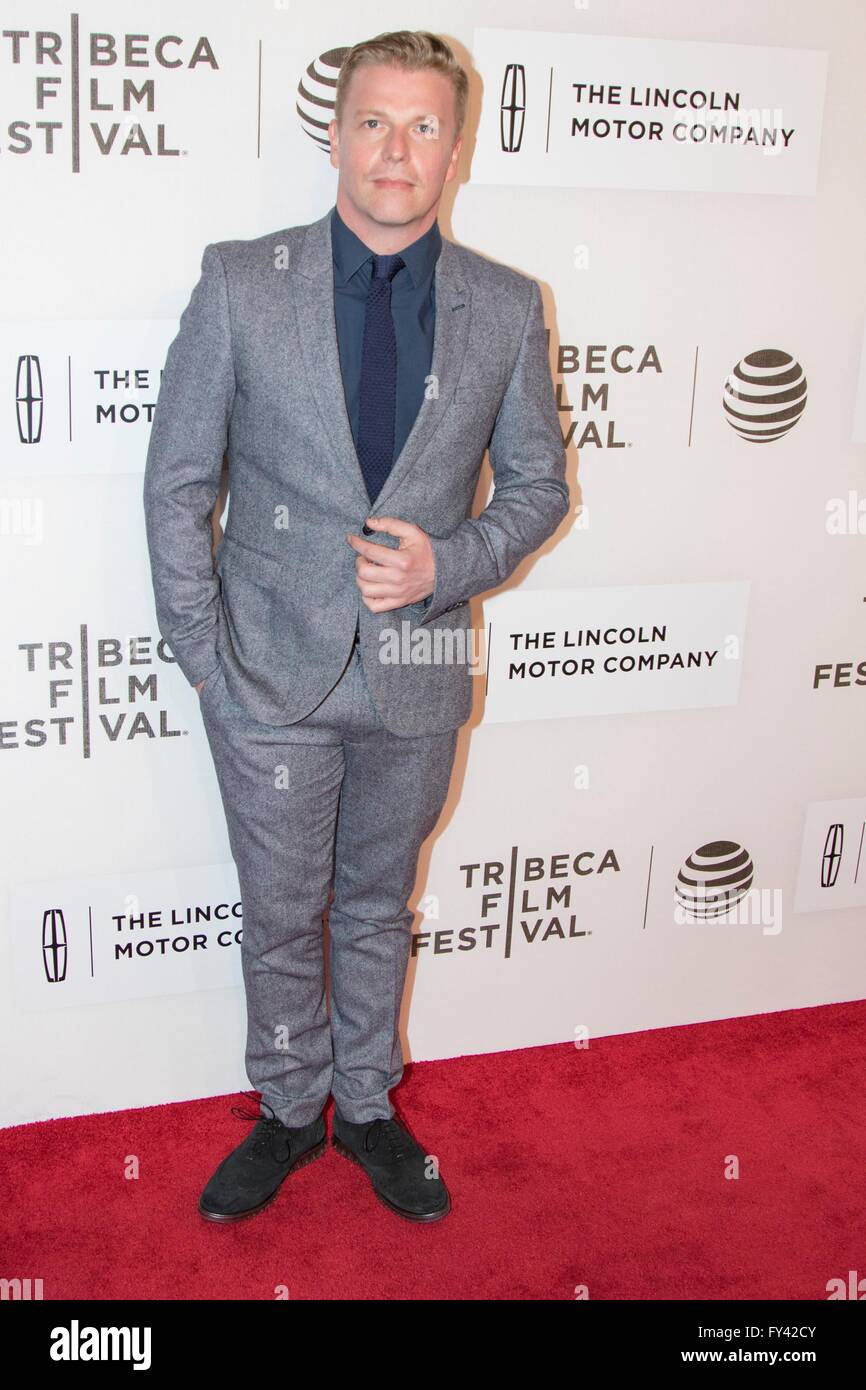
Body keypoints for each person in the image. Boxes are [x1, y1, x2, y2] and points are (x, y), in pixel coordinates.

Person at [142, 29, 569, 1225]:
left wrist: (452, 562)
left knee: (379, 899)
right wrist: (202, 658)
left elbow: (536, 487)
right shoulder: (240, 281)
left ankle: (368, 1108)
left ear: (454, 145)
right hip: (267, 673)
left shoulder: (500, 304)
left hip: (420, 663)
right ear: (335, 135)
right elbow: (178, 482)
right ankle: (287, 1111)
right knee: (282, 912)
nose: (397, 149)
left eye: (423, 126)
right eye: (374, 121)